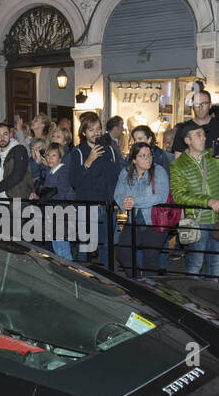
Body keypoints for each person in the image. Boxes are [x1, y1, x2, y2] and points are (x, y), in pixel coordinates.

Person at [169, 122, 219, 280]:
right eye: (199, 135)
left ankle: (212, 298)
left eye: (204, 134)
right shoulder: (178, 165)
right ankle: (190, 302)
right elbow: (179, 195)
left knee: (215, 262)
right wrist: (208, 201)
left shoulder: (212, 156)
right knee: (195, 263)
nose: (204, 138)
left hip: (218, 219)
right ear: (187, 140)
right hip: (196, 221)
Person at [114, 141, 170, 279]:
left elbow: (160, 197)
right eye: (142, 156)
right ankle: (136, 280)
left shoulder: (159, 171)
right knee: (123, 253)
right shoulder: (125, 172)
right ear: (134, 159)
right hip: (133, 220)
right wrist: (124, 203)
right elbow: (118, 194)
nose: (148, 158)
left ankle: (150, 289)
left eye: (149, 155)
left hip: (154, 221)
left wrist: (134, 201)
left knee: (150, 258)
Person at [70, 111, 121, 265]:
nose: (95, 133)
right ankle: (83, 281)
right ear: (84, 132)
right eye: (91, 130)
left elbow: (116, 177)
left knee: (106, 246)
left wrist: (115, 200)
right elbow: (74, 181)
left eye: (98, 128)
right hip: (87, 207)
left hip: (107, 206)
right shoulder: (78, 152)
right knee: (85, 247)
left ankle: (105, 281)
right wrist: (88, 161)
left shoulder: (110, 150)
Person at [170, 91, 219, 156]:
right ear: (192, 106)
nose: (200, 107)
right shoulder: (183, 128)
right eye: (197, 104)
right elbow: (178, 158)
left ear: (210, 105)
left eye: (204, 103)